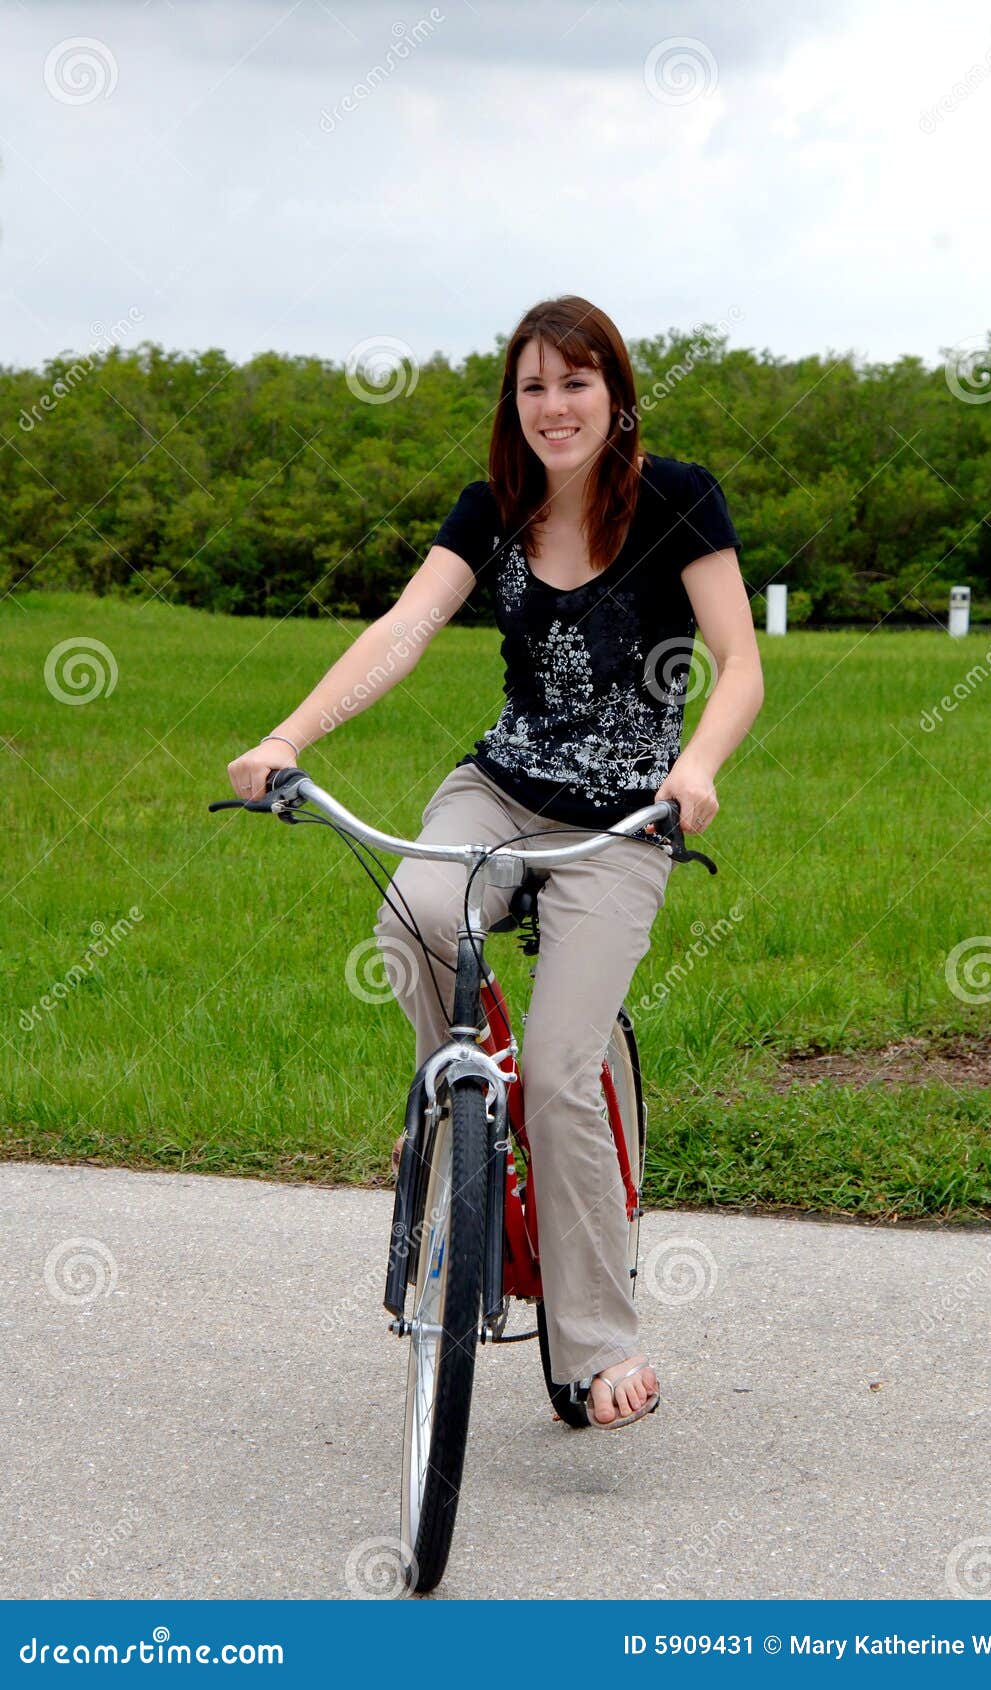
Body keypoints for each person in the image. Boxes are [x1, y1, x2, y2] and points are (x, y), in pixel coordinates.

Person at [228, 295, 763, 1429]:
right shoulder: (495, 508)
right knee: (415, 912)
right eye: (532, 386)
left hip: (624, 824)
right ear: (511, 404)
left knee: (566, 1074)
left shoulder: (677, 499)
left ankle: (595, 1341)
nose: (553, 406)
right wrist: (290, 737)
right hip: (500, 793)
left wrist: (697, 768)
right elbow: (403, 629)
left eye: (575, 383)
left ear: (614, 396)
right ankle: (449, 1099)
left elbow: (738, 661)